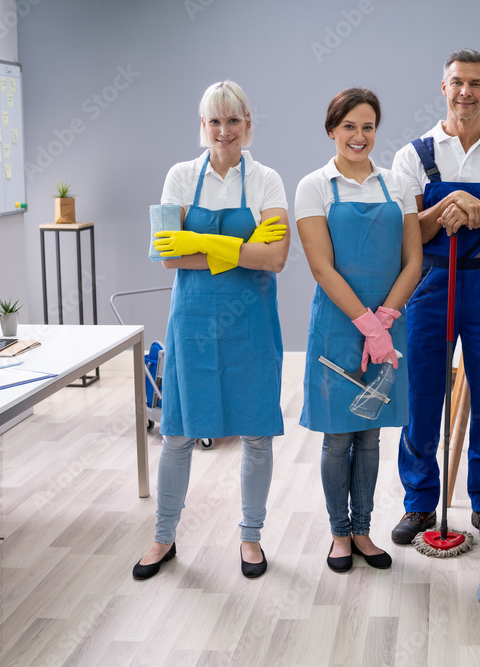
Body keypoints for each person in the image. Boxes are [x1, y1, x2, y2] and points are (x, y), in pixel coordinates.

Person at [134, 80, 290, 580]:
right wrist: (239, 249)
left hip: (252, 324)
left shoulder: (267, 179)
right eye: (215, 121)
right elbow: (166, 256)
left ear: (249, 124)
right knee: (177, 433)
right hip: (193, 325)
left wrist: (198, 242)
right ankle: (163, 538)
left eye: (234, 120)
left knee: (257, 435)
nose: (225, 131)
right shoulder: (180, 176)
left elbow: (278, 257)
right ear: (203, 127)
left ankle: (250, 538)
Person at [390, 48, 480, 547]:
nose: (465, 92)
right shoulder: (413, 155)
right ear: (443, 88)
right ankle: (419, 502)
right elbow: (407, 236)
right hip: (430, 284)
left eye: (475, 83)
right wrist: (448, 204)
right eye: (457, 83)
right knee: (423, 391)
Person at [297, 88, 422, 573]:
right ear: (332, 130)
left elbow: (413, 260)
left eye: (368, 126)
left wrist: (386, 320)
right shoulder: (315, 186)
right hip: (337, 326)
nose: (359, 136)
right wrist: (367, 325)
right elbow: (322, 268)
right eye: (349, 126)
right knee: (337, 436)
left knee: (370, 434)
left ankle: (364, 530)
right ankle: (339, 533)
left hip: (388, 326)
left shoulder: (397, 185)